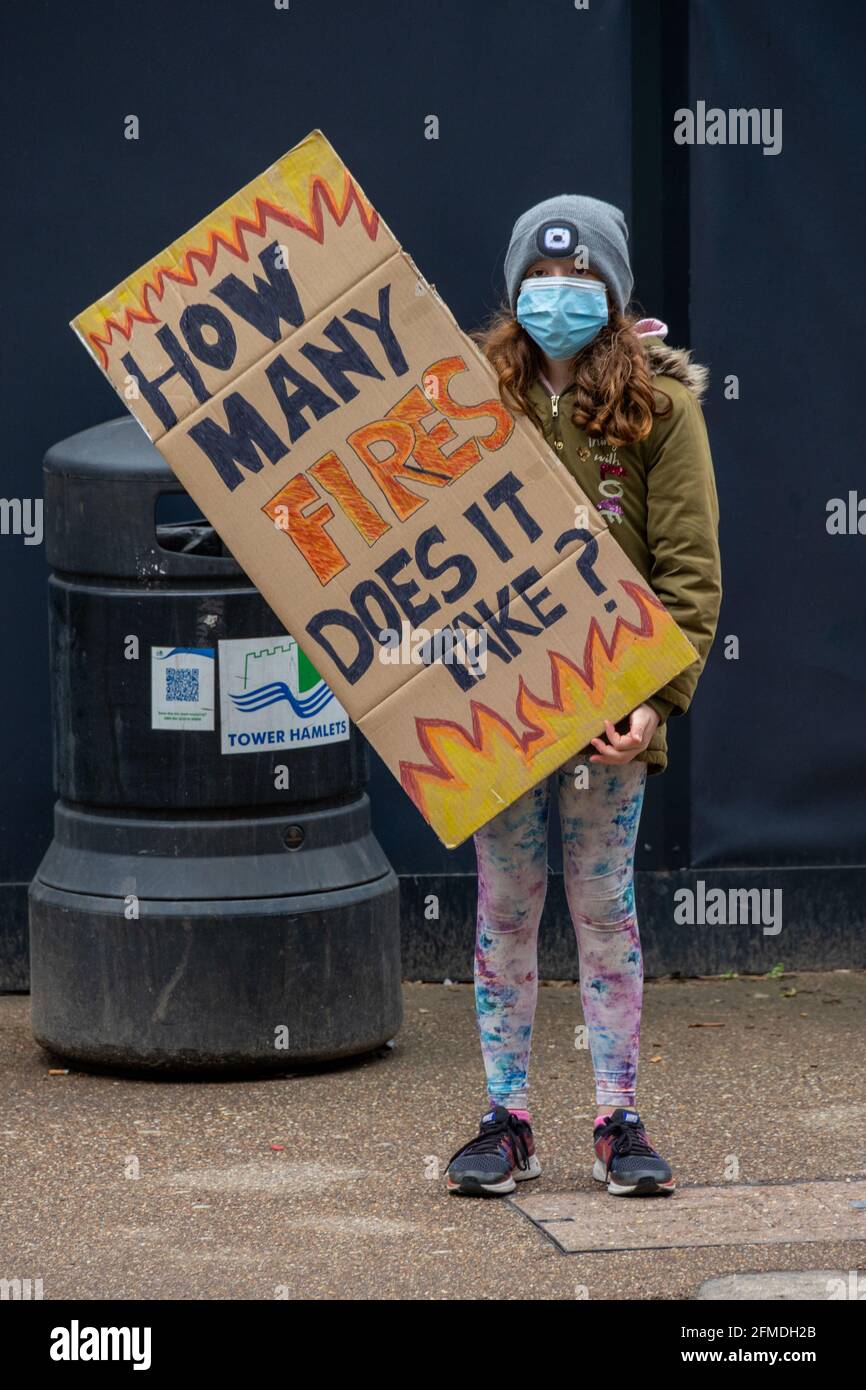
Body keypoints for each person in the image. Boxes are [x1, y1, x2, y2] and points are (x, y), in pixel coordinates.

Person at [445, 195, 722, 1198]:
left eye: (577, 281)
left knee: (602, 910)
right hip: (495, 713)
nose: (556, 298)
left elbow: (690, 577)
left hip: (608, 719)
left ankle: (617, 1118)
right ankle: (503, 1118)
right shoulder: (468, 397)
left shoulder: (661, 409)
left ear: (611, 291)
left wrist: (654, 701)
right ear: (513, 290)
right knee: (504, 909)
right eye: (538, 281)